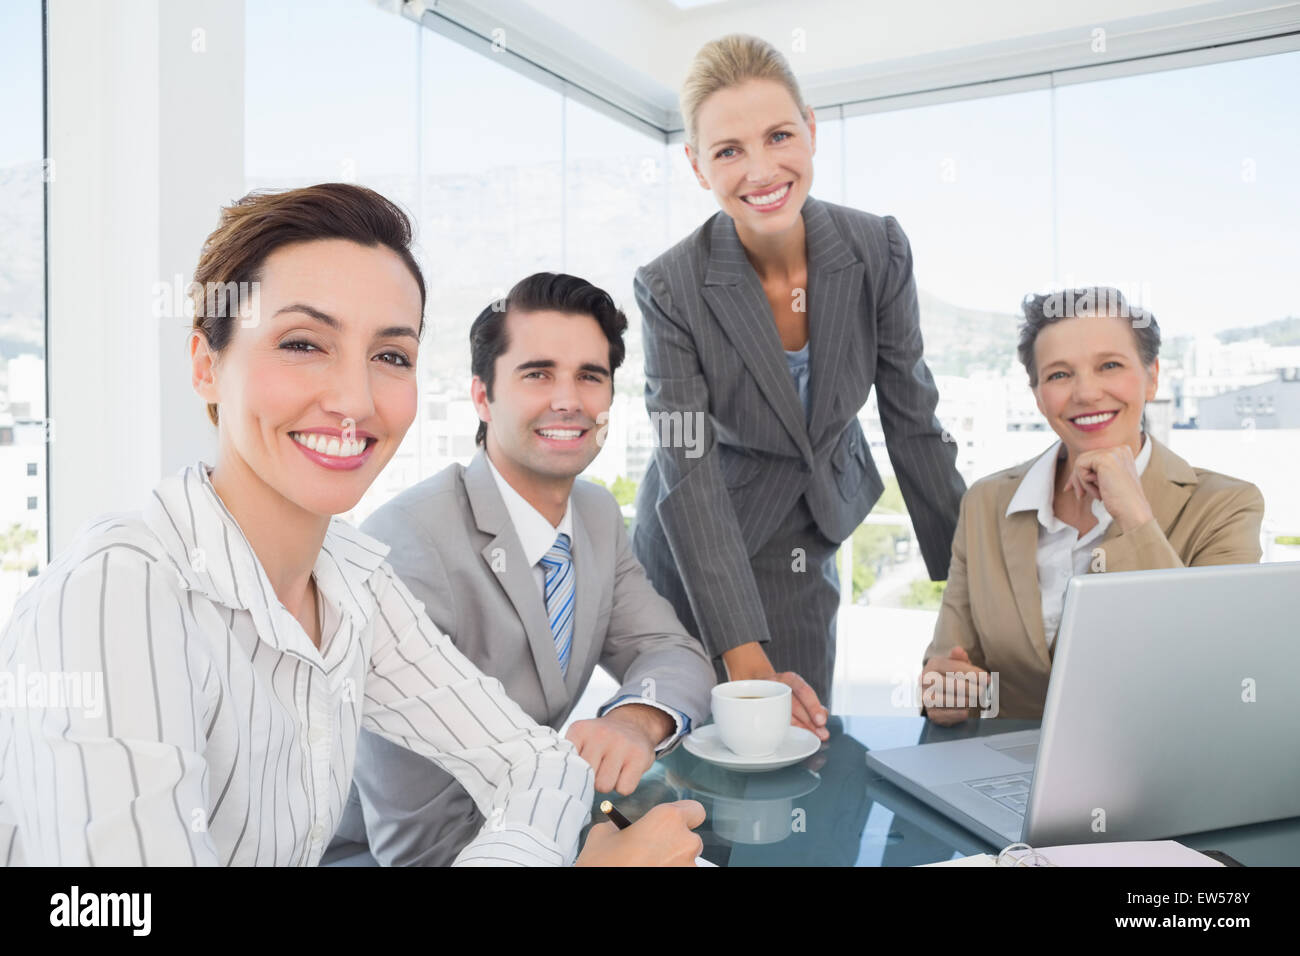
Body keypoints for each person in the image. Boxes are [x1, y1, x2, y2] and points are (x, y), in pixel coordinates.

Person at [0, 183, 704, 867]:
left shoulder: (352, 580)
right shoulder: (114, 600)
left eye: (390, 355)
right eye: (303, 343)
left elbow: (541, 767)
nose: (354, 398)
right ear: (206, 365)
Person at [632, 34, 965, 729]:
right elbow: (686, 467)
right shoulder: (671, 286)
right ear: (698, 166)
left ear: (810, 131)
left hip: (808, 527)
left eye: (779, 135)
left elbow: (914, 424)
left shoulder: (878, 249)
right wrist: (741, 655)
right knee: (702, 749)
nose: (760, 170)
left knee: (807, 745)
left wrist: (967, 597)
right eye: (728, 150)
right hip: (702, 538)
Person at [336, 273, 716, 866]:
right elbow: (420, 842)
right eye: (537, 373)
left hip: (550, 828)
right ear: (483, 397)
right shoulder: (406, 544)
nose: (568, 399)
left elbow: (672, 652)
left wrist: (634, 722)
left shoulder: (594, 513)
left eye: (590, 376)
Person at [922, 287, 1265, 722]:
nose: (1086, 393)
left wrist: (1136, 518)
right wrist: (946, 694)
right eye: (1059, 375)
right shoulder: (986, 503)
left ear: (1152, 376)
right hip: (1006, 773)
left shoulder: (1226, 506)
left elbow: (1217, 673)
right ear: (1037, 394)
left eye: (1110, 366)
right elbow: (948, 665)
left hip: (1154, 774)